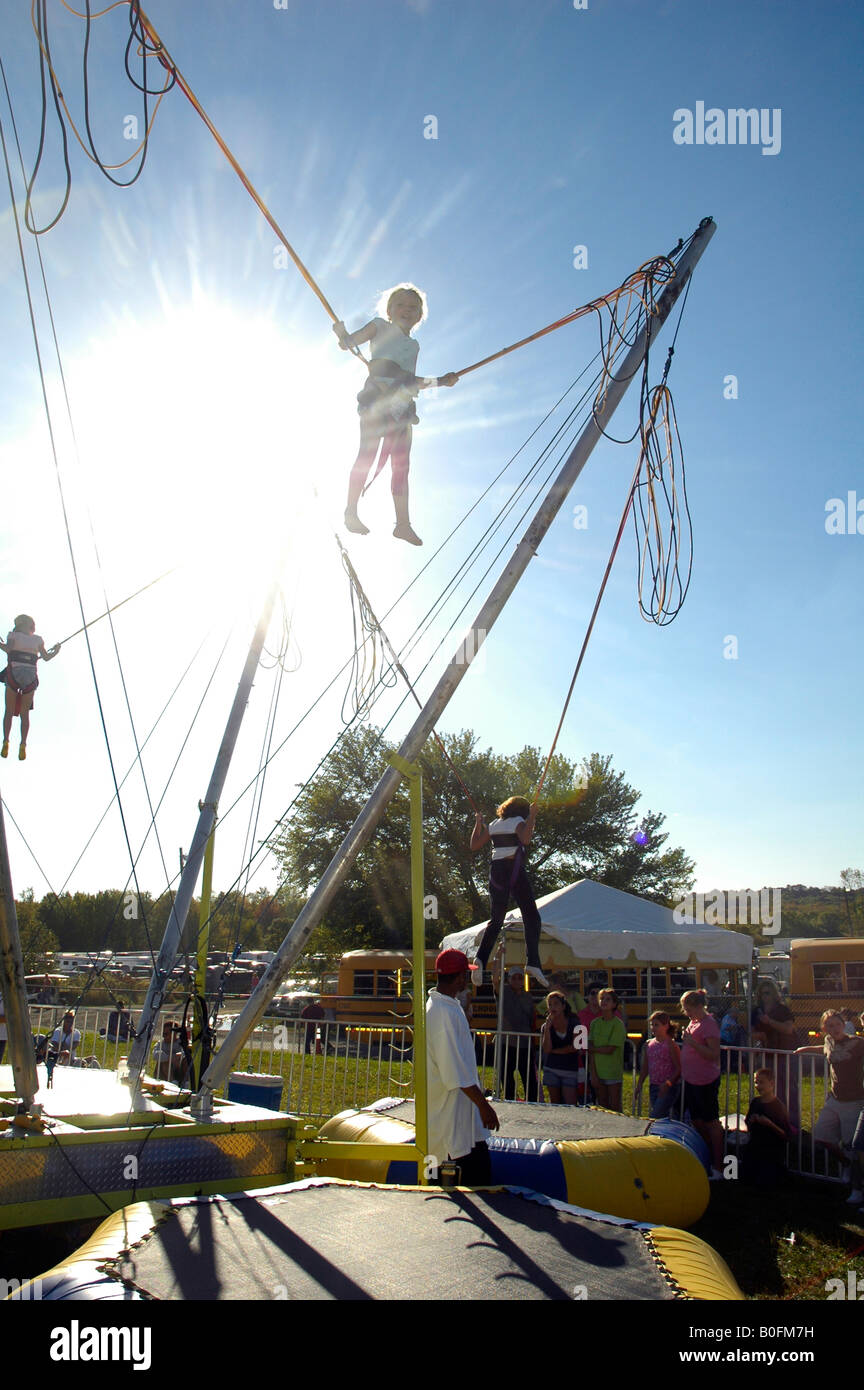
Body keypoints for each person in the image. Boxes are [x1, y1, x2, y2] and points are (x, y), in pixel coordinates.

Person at [334, 285, 458, 546]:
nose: (407, 310)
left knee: (401, 467)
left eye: (413, 308)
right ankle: (351, 511)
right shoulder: (379, 326)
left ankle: (403, 524)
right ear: (389, 311)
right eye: (401, 305)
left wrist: (442, 381)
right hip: (376, 399)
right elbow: (349, 344)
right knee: (366, 454)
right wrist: (343, 335)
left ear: (419, 317)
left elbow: (412, 381)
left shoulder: (414, 345)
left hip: (402, 407)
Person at [425, 948, 499, 1185]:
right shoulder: (442, 1013)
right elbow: (454, 1072)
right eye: (465, 975)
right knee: (463, 1182)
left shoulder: (448, 1006)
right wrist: (484, 1107)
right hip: (450, 1118)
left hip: (460, 1114)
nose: (467, 980)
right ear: (458, 978)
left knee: (479, 1173)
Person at [468, 796, 548, 987]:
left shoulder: (495, 824)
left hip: (496, 871)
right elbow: (526, 839)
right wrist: (532, 817)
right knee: (531, 916)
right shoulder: (519, 822)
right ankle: (533, 962)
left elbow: (474, 845)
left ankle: (480, 958)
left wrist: (477, 824)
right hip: (514, 869)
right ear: (522, 811)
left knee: (496, 920)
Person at [796, 1009, 864, 1204]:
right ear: (825, 1028)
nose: (834, 1029)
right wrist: (804, 1049)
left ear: (843, 1024)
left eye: (837, 1024)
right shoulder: (828, 1041)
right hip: (834, 1099)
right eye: (829, 1026)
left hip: (853, 1100)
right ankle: (846, 1164)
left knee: (854, 1146)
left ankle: (856, 1189)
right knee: (821, 1135)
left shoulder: (857, 1043)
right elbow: (823, 1049)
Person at [0, 615, 60, 760]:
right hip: (30, 678)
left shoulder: (13, 635)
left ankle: (6, 741)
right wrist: (56, 651)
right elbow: (46, 657)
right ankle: (23, 744)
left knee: (9, 711)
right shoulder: (38, 639)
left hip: (14, 674)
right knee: (24, 714)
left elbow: (8, 649)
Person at [679, 989, 725, 1180]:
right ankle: (707, 1153)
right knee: (697, 1120)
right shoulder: (694, 1022)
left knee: (711, 1121)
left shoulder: (709, 1024)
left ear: (699, 1006)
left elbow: (713, 1054)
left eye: (689, 1009)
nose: (687, 1013)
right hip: (691, 1079)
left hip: (706, 1080)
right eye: (684, 1009)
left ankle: (719, 1164)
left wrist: (692, 1043)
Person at [751, 978, 798, 1123]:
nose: (764, 996)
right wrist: (760, 1035)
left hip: (785, 1054)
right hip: (767, 1055)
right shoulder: (756, 1011)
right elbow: (751, 1032)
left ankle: (792, 1123)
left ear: (774, 994)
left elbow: (788, 1029)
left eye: (767, 993)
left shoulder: (782, 1010)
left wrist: (770, 1022)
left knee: (788, 1090)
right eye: (761, 993)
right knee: (769, 1090)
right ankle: (773, 1120)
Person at [741, 1067, 794, 1187]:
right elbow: (748, 1125)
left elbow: (785, 1134)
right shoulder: (755, 1102)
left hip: (772, 1149)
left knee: (765, 1183)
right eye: (756, 1082)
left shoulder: (778, 1106)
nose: (758, 1086)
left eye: (762, 1082)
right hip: (755, 1146)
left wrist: (769, 1124)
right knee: (744, 1178)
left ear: (771, 1084)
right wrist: (751, 1121)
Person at [495, 965, 539, 1100]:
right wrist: (497, 959)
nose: (517, 981)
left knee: (529, 1077)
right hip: (507, 1042)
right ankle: (510, 1099)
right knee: (507, 1076)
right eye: (514, 978)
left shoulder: (528, 996)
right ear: (509, 979)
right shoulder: (503, 992)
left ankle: (532, 1102)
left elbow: (532, 1017)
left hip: (525, 1042)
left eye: (520, 978)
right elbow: (495, 981)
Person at [540, 990, 583, 1106]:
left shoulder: (575, 1023)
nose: (553, 1007)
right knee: (555, 1104)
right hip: (551, 1068)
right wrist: (548, 1030)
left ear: (563, 1006)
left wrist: (556, 1051)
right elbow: (547, 1049)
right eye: (550, 1004)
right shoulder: (545, 1026)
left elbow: (576, 1047)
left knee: (570, 1104)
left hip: (570, 1069)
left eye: (556, 1004)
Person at [635, 1011, 681, 1119]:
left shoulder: (670, 1044)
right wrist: (640, 1084)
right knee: (661, 1115)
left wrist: (668, 1083)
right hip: (654, 1085)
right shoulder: (649, 1044)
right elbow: (645, 1067)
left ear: (666, 1026)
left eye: (657, 1025)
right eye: (652, 1025)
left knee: (655, 1116)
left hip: (668, 1087)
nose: (653, 1028)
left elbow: (678, 1068)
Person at [587, 988, 626, 1113]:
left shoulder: (618, 1024)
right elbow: (590, 1049)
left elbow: (610, 1049)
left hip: (612, 1072)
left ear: (614, 1004)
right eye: (601, 999)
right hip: (598, 1071)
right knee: (602, 1104)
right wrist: (593, 1072)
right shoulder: (594, 1023)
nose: (604, 1001)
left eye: (608, 999)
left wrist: (594, 1049)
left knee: (615, 1106)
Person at [151, 1020, 190, 1085]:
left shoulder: (181, 1042)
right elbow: (155, 1054)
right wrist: (170, 1058)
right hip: (164, 1071)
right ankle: (173, 1083)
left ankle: (186, 1083)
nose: (164, 1036)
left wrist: (179, 1056)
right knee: (164, 1062)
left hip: (178, 1067)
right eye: (163, 1034)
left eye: (166, 1034)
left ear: (174, 1034)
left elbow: (187, 1052)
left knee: (186, 1061)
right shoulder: (161, 1043)